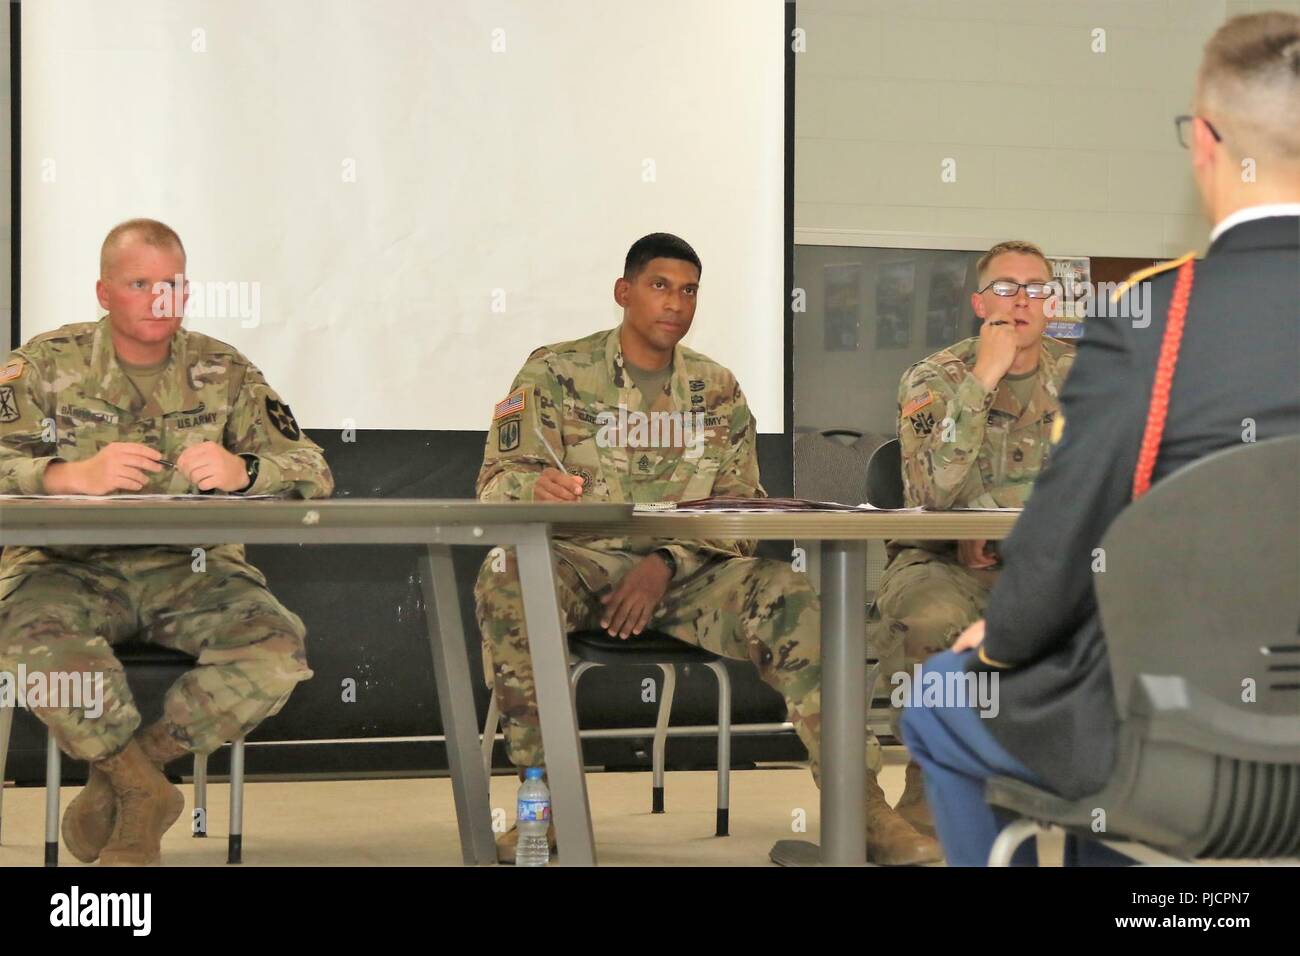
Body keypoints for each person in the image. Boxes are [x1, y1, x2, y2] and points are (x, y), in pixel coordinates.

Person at [899, 10, 1300, 866]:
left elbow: (1063, 548)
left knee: (941, 691)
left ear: (1204, 142)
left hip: (1175, 743)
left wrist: (1003, 638)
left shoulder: (1155, 322)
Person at [476, 232, 936, 864]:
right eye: (660, 286)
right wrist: (535, 486)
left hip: (690, 574)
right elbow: (496, 482)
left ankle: (861, 812)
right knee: (505, 576)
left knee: (790, 595)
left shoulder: (716, 389)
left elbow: (743, 510)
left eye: (689, 290)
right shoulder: (553, 374)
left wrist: (665, 564)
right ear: (624, 291)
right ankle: (544, 803)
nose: (675, 303)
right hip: (576, 564)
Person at [0, 218, 334, 865]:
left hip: (192, 566)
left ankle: (133, 776)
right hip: (64, 567)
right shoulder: (44, 364)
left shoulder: (224, 370)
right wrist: (66, 476)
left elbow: (312, 466)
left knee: (275, 649)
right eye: (140, 284)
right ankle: (138, 789)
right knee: (30, 642)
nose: (160, 300)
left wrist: (249, 472)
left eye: (173, 285)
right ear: (103, 293)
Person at [866, 239, 1075, 838]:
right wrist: (983, 378)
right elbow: (929, 494)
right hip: (941, 561)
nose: (1021, 302)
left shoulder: (1085, 378)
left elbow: (1108, 485)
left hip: (1048, 566)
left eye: (1035, 288)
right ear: (980, 303)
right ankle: (927, 790)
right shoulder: (935, 377)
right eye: (1005, 288)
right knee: (928, 616)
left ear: (1051, 304)